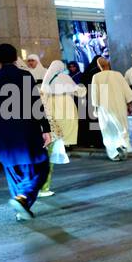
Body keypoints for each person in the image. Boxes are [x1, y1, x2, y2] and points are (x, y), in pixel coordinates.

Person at [0, 42, 52, 220]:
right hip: (26, 129)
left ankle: (20, 208)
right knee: (41, 165)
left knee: (13, 171)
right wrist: (45, 128)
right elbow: (35, 103)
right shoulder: (24, 75)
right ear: (16, 57)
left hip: (3, 132)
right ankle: (23, 199)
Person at [39, 60, 82, 196]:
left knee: (48, 149)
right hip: (64, 112)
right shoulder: (64, 77)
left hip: (50, 115)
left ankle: (42, 186)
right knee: (51, 150)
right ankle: (43, 187)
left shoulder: (47, 79)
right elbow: (79, 92)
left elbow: (42, 96)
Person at [90, 56, 132, 160]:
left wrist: (95, 108)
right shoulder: (118, 75)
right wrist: (129, 104)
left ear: (98, 66)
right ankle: (123, 144)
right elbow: (126, 90)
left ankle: (114, 154)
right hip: (119, 105)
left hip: (104, 106)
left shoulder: (96, 77)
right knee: (122, 127)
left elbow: (94, 94)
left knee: (108, 131)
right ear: (108, 64)